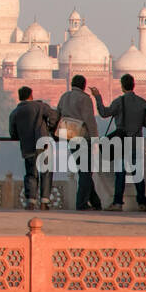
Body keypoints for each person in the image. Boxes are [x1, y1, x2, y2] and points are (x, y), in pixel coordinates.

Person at [94, 73, 146, 211]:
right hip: (136, 141)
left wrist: (97, 97)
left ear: (122, 86)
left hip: (122, 142)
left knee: (120, 173)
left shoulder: (120, 101)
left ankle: (118, 203)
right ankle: (142, 203)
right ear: (133, 85)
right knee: (138, 174)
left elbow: (104, 113)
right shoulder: (143, 102)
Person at [9, 86, 60, 210]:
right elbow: (54, 116)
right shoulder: (40, 106)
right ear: (31, 95)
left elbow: (13, 132)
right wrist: (50, 128)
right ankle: (44, 201)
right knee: (46, 172)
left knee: (31, 173)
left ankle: (31, 201)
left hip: (27, 146)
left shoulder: (15, 112)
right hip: (43, 143)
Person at [57, 75, 102, 210]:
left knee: (84, 171)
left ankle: (96, 203)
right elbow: (89, 120)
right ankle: (81, 203)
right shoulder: (85, 98)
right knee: (85, 172)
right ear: (84, 85)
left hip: (70, 135)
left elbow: (57, 113)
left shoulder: (64, 97)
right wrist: (95, 138)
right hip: (83, 137)